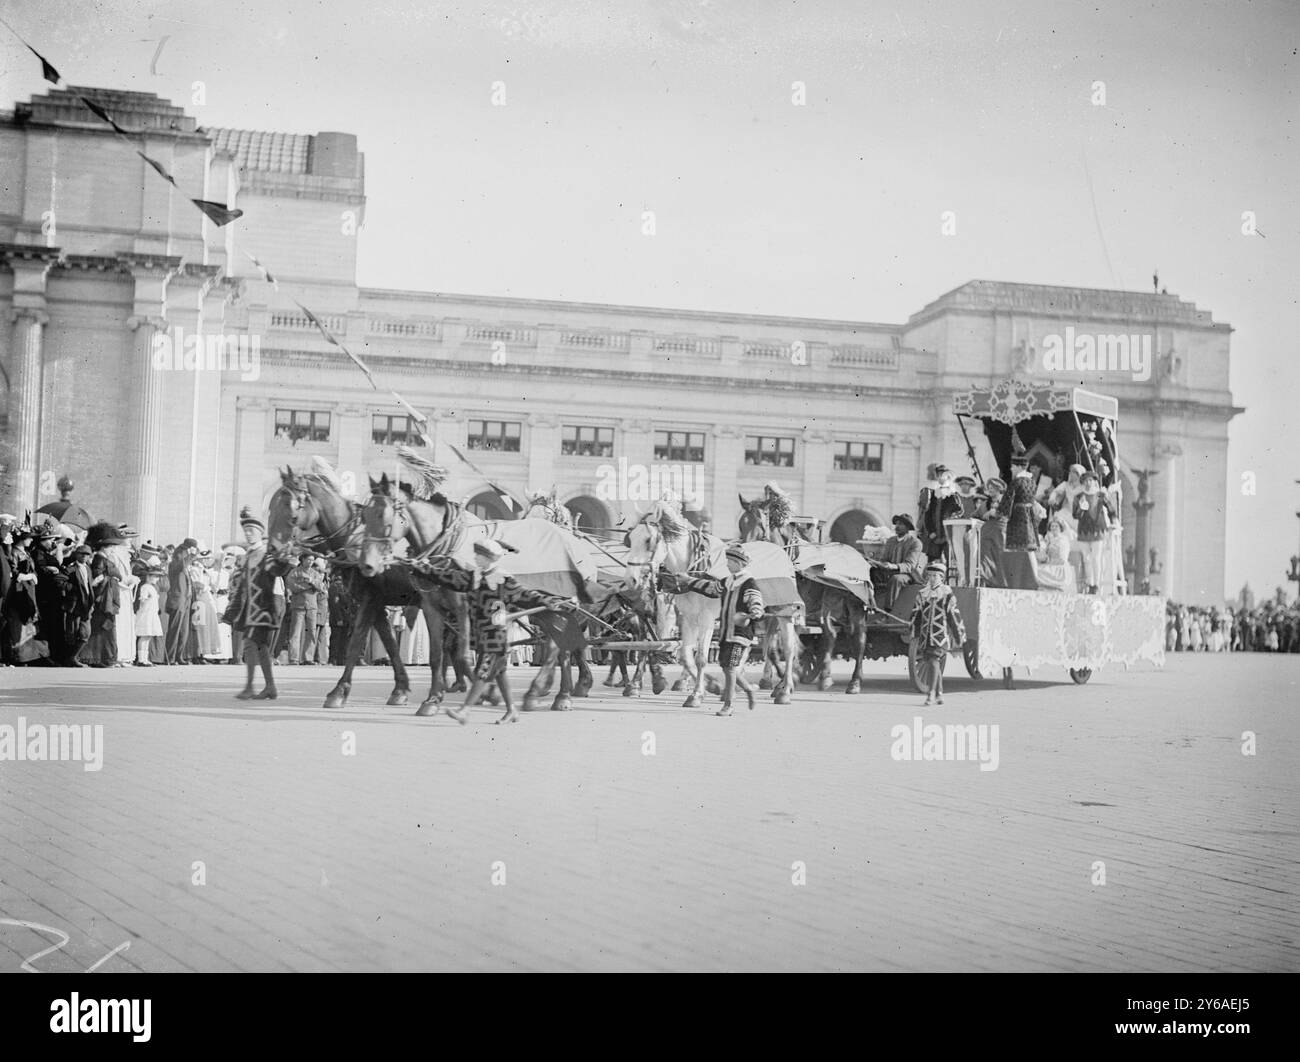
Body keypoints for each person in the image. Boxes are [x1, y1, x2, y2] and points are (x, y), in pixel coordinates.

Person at [414, 538, 576, 724]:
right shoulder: (473, 576)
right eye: (476, 555)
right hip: (482, 635)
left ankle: (464, 711)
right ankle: (512, 710)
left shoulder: (503, 580)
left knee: (482, 674)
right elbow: (447, 578)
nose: (476, 558)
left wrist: (547, 602)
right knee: (500, 675)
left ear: (490, 558)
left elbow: (526, 596)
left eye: (480, 556)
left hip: (495, 637)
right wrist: (421, 568)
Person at [659, 543, 766, 717]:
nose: (727, 565)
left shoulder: (749, 583)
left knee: (730, 668)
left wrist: (752, 613)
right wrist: (688, 580)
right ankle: (748, 689)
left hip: (740, 633)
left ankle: (728, 705)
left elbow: (756, 602)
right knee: (726, 666)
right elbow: (710, 588)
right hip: (726, 632)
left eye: (730, 561)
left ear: (740, 564)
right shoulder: (728, 581)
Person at [223, 508, 289, 699]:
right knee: (260, 648)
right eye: (246, 531)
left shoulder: (265, 554)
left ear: (261, 533)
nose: (248, 534)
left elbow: (277, 569)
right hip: (251, 609)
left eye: (252, 530)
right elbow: (242, 587)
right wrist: (231, 613)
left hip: (262, 608)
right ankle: (269, 687)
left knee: (252, 645)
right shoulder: (249, 555)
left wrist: (285, 559)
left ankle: (252, 687)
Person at [909, 561, 967, 706]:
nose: (932, 578)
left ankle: (931, 694)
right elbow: (916, 615)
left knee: (934, 661)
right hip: (925, 636)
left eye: (936, 576)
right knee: (931, 662)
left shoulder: (947, 594)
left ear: (942, 577)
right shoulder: (922, 594)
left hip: (940, 637)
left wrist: (959, 635)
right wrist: (913, 632)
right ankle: (940, 693)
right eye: (930, 576)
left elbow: (954, 616)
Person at [1073, 471, 1115, 594]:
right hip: (1084, 530)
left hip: (1098, 529)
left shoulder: (1100, 495)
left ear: (1094, 481)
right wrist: (1081, 508)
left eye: (1090, 480)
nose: (1088, 483)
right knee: (1086, 558)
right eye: (1086, 480)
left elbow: (1111, 508)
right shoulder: (1079, 497)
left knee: (1096, 558)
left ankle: (1097, 584)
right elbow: (1075, 515)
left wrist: (1114, 520)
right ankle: (1090, 583)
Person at [870, 514, 926, 605]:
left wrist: (893, 566)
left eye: (901, 524)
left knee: (896, 579)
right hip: (889, 572)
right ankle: (873, 603)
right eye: (896, 524)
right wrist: (877, 563)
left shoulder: (915, 543)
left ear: (907, 527)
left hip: (908, 575)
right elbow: (884, 559)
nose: (897, 526)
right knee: (872, 572)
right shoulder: (890, 541)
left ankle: (889, 611)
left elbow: (910, 565)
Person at [285, 554, 325, 665]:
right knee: (295, 632)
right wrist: (307, 587)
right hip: (298, 605)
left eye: (312, 560)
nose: (310, 562)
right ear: (302, 560)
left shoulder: (315, 573)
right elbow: (292, 586)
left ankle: (308, 657)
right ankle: (294, 658)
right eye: (308, 559)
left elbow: (321, 587)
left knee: (311, 632)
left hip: (312, 605)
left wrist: (311, 581)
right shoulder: (295, 572)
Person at [165, 538, 198, 664]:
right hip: (178, 599)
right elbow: (181, 564)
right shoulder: (175, 563)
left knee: (184, 630)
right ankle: (170, 657)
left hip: (186, 600)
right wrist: (188, 554)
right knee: (174, 629)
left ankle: (179, 656)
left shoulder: (185, 565)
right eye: (183, 552)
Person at [1034, 518, 1076, 592]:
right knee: (1035, 569)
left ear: (1060, 528)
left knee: (1038, 572)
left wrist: (1049, 560)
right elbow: (1045, 553)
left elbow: (1062, 559)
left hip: (1059, 568)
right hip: (1050, 564)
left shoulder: (1063, 540)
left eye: (1056, 526)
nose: (1054, 528)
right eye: (1052, 526)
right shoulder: (1049, 539)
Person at [134, 562, 164, 665]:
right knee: (144, 635)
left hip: (152, 614)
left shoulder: (152, 587)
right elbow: (142, 600)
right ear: (149, 576)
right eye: (155, 576)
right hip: (146, 614)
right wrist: (146, 599)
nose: (157, 579)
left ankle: (145, 659)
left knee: (148, 636)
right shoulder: (145, 587)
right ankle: (141, 659)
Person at [313, 559, 331, 664]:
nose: (321, 575)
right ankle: (315, 657)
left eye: (322, 573)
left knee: (322, 637)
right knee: (314, 636)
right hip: (316, 612)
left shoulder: (325, 584)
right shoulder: (315, 584)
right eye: (319, 572)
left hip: (324, 614)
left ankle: (322, 658)